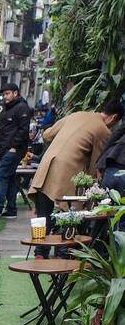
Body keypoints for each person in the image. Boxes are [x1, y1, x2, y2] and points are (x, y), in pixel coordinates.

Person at [29, 98, 124, 229]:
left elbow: (47, 136)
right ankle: (63, 250)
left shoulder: (77, 114)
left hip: (45, 169)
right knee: (70, 222)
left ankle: (40, 250)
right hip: (66, 177)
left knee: (42, 220)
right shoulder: (104, 131)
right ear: (113, 118)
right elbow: (96, 166)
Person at [0, 83, 32, 218]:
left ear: (15, 93)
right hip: (4, 149)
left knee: (1, 176)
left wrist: (14, 146)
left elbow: (23, 130)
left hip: (13, 150)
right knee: (11, 178)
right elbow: (0, 129)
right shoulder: (6, 109)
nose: (5, 96)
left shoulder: (22, 108)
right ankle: (11, 209)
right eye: (4, 94)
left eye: (7, 93)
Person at [96, 116, 125, 193]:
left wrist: (100, 163)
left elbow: (116, 134)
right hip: (117, 165)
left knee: (105, 202)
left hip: (112, 161)